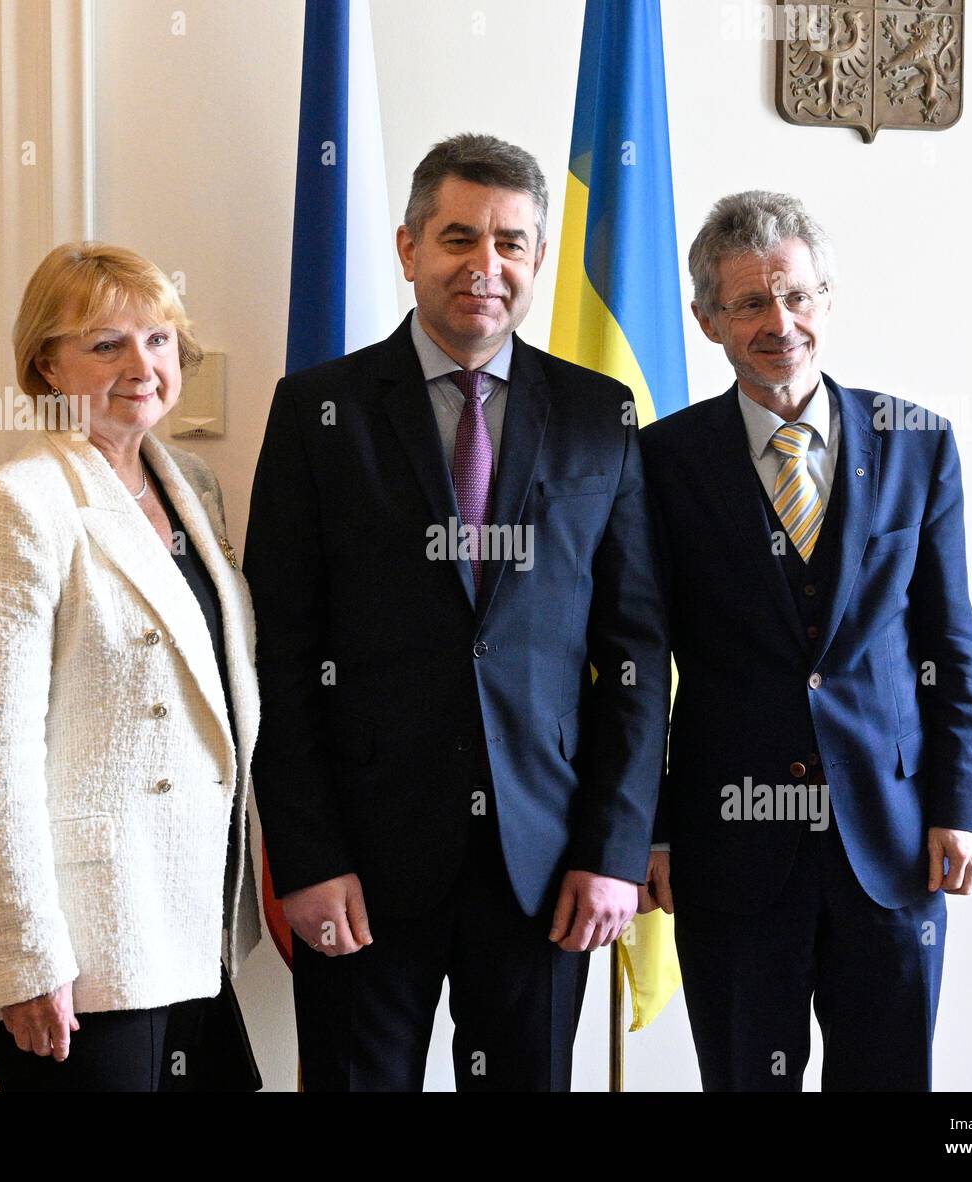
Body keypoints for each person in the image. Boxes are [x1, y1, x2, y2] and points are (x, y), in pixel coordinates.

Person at [245, 133, 670, 1091]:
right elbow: (280, 652)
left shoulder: (601, 415)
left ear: (538, 260)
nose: (486, 266)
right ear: (407, 250)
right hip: (362, 862)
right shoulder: (320, 410)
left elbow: (635, 655)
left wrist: (613, 851)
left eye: (512, 243)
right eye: (458, 237)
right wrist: (306, 856)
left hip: (547, 866)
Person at [638, 191, 972, 1091]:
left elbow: (949, 644)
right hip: (731, 850)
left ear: (827, 300)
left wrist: (962, 805)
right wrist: (657, 832)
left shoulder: (918, 443)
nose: (778, 323)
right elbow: (637, 664)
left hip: (894, 841)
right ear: (707, 319)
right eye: (749, 303)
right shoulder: (659, 462)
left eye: (796, 296)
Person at [0, 243, 262, 1091]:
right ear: (47, 364)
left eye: (158, 339)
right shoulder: (12, 506)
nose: (142, 365)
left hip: (190, 926)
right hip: (82, 945)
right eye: (106, 344)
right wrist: (23, 958)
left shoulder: (190, 485)